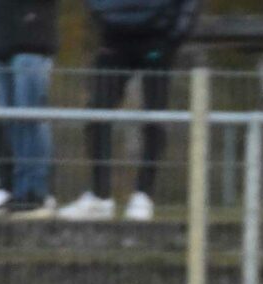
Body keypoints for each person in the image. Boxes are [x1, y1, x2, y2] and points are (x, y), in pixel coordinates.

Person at [57, 0, 198, 222]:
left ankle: (143, 196)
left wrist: (174, 34)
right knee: (97, 113)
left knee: (155, 116)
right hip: (114, 37)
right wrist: (103, 19)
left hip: (157, 37)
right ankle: (100, 196)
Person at [0, 0, 57, 217]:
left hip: (31, 41)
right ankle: (20, 189)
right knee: (11, 122)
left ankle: (36, 191)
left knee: (30, 119)